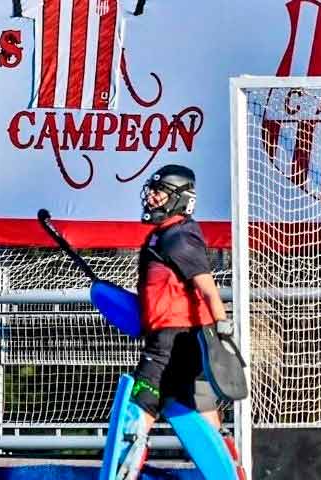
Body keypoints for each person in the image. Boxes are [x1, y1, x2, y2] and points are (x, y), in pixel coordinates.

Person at [114, 164, 244, 479]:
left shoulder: (179, 238)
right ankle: (233, 473)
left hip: (172, 343)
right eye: (153, 191)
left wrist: (224, 332)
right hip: (179, 338)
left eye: (160, 193)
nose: (152, 198)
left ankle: (124, 470)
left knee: (141, 403)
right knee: (202, 413)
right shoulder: (164, 235)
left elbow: (209, 291)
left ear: (179, 198)